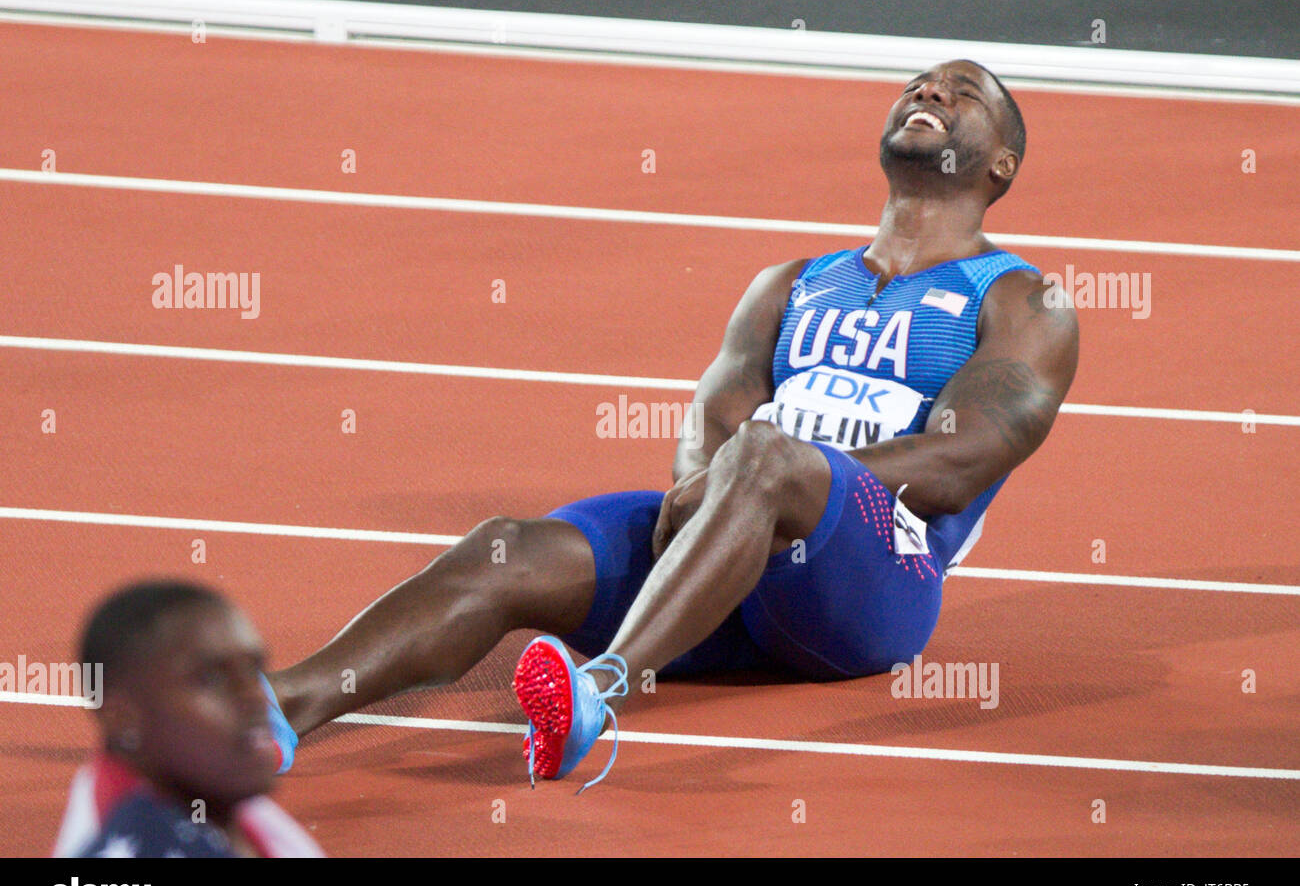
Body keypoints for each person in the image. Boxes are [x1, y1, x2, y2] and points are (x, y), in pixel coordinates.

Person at [263, 59, 1078, 791]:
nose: (929, 91)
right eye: (918, 84)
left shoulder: (1020, 301)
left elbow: (961, 458)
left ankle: (604, 690)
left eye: (962, 93)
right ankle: (280, 710)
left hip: (875, 586)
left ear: (1003, 163)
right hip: (733, 551)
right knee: (504, 547)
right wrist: (708, 485)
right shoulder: (792, 284)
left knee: (766, 455)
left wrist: (774, 477)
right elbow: (713, 420)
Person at [53, 581, 323, 857]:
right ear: (124, 719)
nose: (254, 697)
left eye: (254, 669)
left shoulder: (210, 796)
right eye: (211, 679)